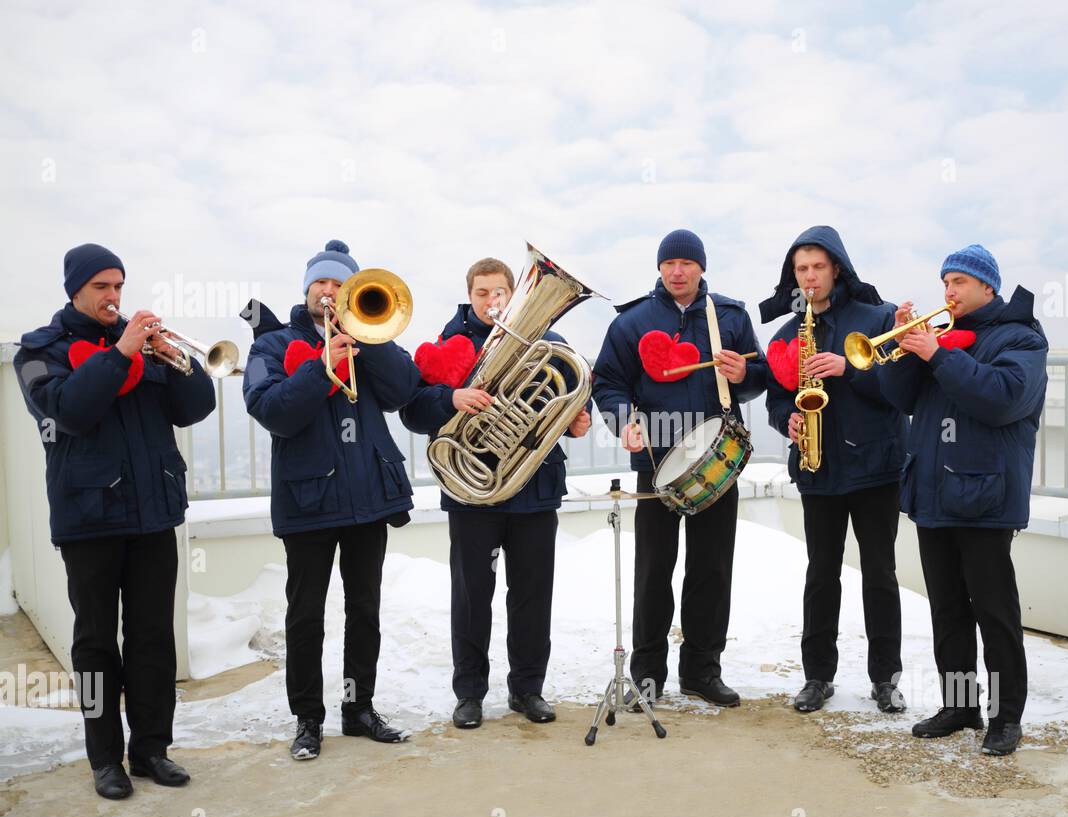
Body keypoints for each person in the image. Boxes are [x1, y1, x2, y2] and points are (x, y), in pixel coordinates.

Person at [14, 243, 216, 799]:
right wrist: (121, 354)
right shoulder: (38, 351)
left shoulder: (142, 343)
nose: (114, 297)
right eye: (102, 286)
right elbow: (68, 412)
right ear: (75, 289)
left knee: (153, 637)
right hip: (88, 517)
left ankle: (152, 749)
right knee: (97, 642)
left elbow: (195, 407)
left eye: (119, 286)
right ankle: (105, 758)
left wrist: (176, 358)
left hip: (154, 512)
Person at [243, 240, 422, 760]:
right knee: (306, 615)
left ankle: (358, 708)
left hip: (368, 496)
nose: (329, 291)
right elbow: (270, 409)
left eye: (339, 284)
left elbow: (405, 389)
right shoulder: (273, 345)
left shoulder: (367, 336)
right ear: (307, 289)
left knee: (364, 610)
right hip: (308, 502)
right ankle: (308, 719)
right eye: (321, 283)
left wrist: (371, 338)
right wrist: (320, 367)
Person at [401, 257, 592, 730]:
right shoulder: (451, 344)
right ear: (470, 296)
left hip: (534, 488)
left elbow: (568, 398)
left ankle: (528, 690)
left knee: (532, 594)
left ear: (515, 293)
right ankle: (469, 695)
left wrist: (576, 423)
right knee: (471, 596)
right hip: (473, 492)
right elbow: (412, 411)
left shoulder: (550, 340)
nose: (492, 301)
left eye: (500, 292)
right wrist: (450, 398)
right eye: (483, 293)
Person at [876, 244, 1047, 756]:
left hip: (985, 497)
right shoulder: (943, 337)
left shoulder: (1021, 338)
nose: (948, 292)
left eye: (960, 283)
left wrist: (937, 354)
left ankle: (1005, 717)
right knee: (947, 611)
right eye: (945, 282)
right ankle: (959, 706)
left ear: (988, 287)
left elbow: (1000, 398)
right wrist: (905, 353)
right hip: (933, 494)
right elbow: (901, 399)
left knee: (995, 613)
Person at [592, 229, 766, 707]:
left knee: (712, 569)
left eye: (687, 263)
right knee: (653, 572)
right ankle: (646, 676)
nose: (677, 271)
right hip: (655, 464)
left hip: (716, 463)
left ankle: (703, 672)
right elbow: (607, 381)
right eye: (669, 263)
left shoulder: (729, 316)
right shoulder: (632, 322)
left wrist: (743, 375)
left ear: (702, 268)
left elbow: (760, 376)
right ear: (660, 267)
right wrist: (623, 419)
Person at [759, 226, 908, 714]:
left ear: (836, 268)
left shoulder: (877, 318)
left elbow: (900, 391)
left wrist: (850, 370)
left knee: (879, 575)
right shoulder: (787, 333)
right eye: (801, 269)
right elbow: (776, 399)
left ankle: (886, 679)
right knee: (821, 575)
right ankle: (817, 676)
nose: (809, 277)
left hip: (876, 469)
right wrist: (790, 420)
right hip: (818, 468)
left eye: (817, 267)